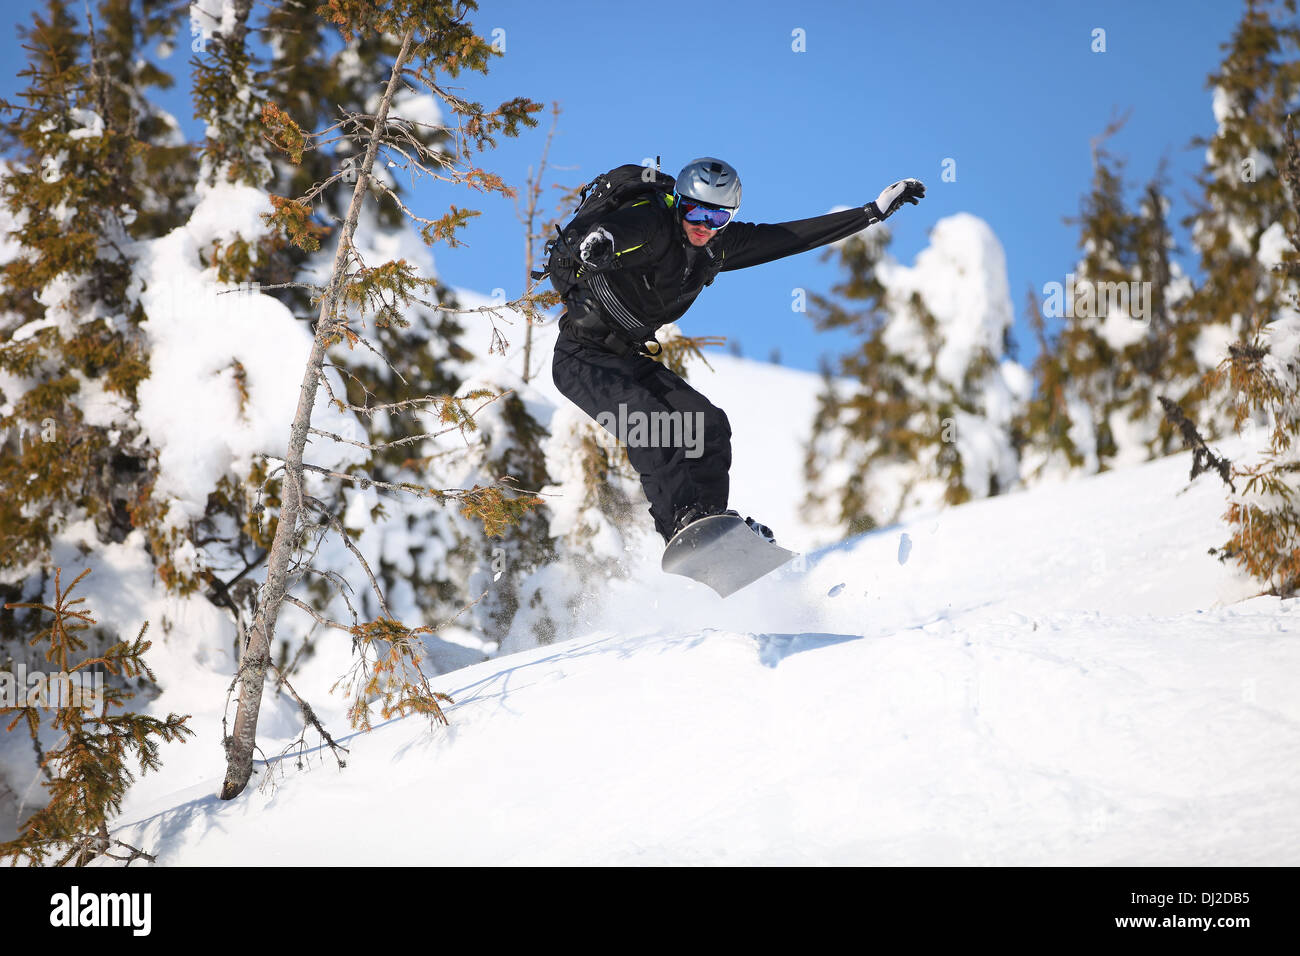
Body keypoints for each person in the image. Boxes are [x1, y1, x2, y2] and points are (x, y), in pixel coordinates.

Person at [551, 157, 925, 547]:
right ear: (678, 202)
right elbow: (613, 232)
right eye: (694, 211)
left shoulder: (717, 248)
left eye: (717, 218)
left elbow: (788, 238)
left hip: (626, 357)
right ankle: (680, 524)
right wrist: (597, 244)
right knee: (651, 424)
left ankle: (711, 529)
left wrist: (871, 213)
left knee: (707, 425)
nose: (702, 226)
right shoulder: (651, 222)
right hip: (582, 357)